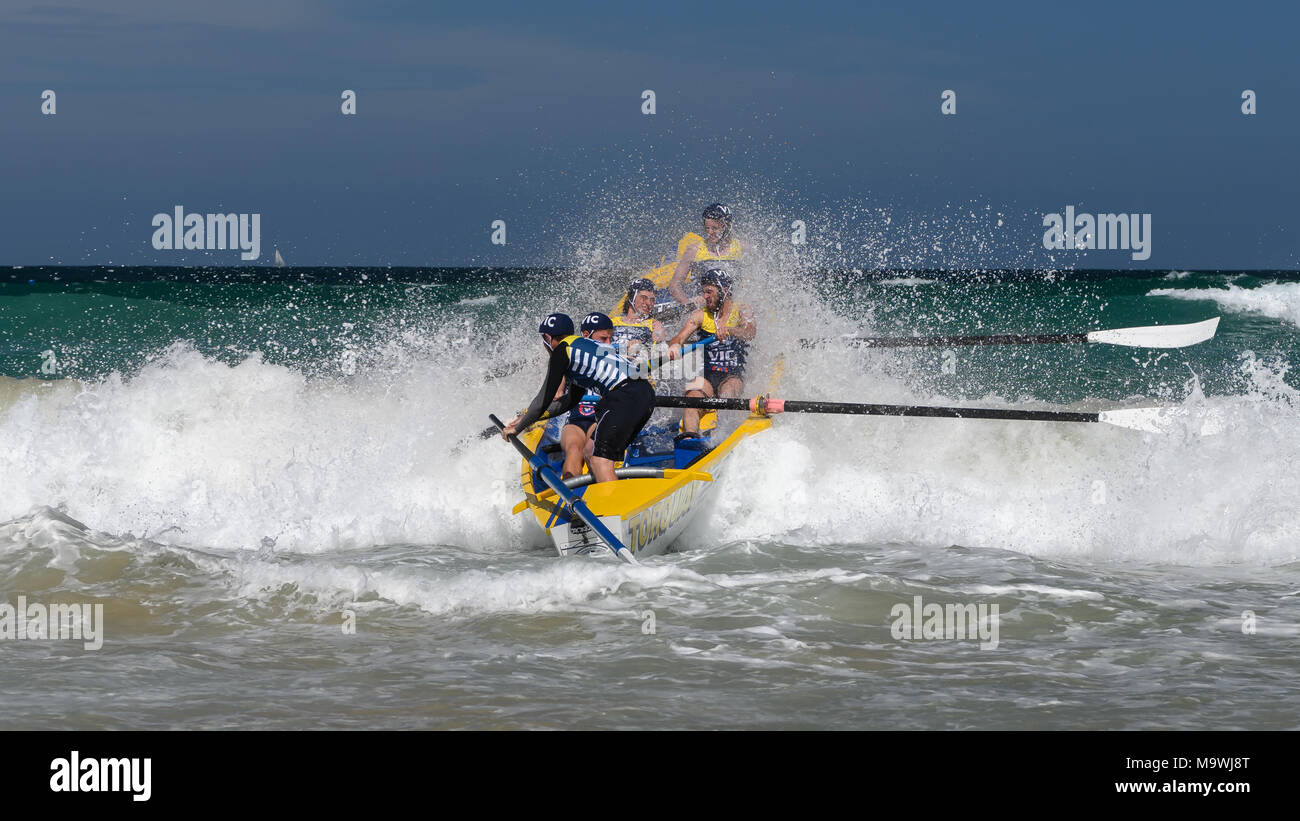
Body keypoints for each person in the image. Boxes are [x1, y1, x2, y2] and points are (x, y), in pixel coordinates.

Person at [502, 312, 655, 483]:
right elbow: (568, 403)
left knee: (600, 461)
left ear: (547, 337)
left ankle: (615, 507)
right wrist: (526, 418)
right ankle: (603, 495)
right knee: (590, 450)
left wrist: (518, 427)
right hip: (642, 392)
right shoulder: (581, 348)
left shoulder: (561, 352)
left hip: (625, 395)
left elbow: (543, 399)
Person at [667, 269, 756, 437]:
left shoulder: (742, 309)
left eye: (710, 292)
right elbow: (678, 338)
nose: (705, 296)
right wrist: (674, 346)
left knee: (728, 391)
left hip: (732, 377)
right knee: (692, 392)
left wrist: (730, 330)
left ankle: (721, 435)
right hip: (708, 379)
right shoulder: (701, 315)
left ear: (725, 290)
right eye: (704, 292)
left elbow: (750, 332)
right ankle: (690, 437)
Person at [558, 312, 615, 479]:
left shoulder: (614, 359)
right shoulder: (570, 359)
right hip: (575, 420)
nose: (609, 343)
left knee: (591, 451)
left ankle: (603, 493)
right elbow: (555, 394)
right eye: (603, 338)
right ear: (585, 335)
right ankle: (570, 498)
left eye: (610, 338)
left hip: (598, 419)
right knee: (574, 449)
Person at [666, 203, 743, 309]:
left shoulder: (742, 249)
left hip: (732, 308)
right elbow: (674, 285)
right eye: (707, 228)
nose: (710, 232)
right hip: (704, 309)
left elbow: (754, 282)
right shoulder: (694, 250)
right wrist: (688, 304)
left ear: (727, 227)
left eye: (714, 228)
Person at [610, 278, 665, 364]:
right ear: (632, 297)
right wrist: (624, 347)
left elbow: (659, 354)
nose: (648, 303)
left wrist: (643, 348)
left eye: (652, 300)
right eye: (644, 298)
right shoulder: (611, 322)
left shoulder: (654, 324)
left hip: (637, 370)